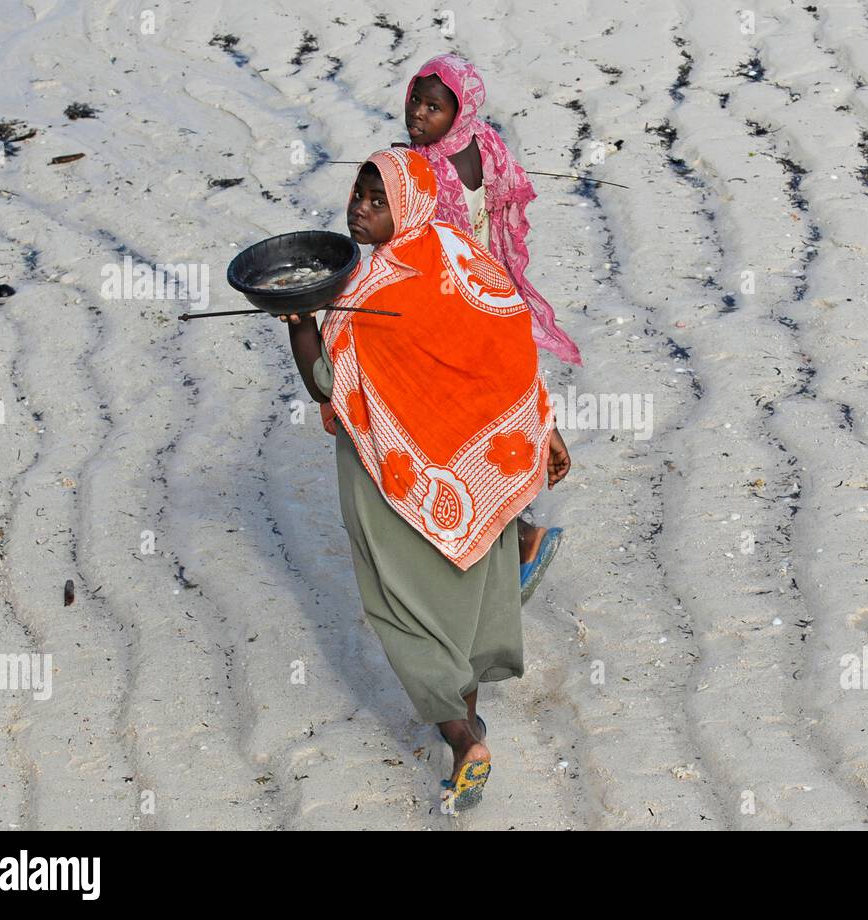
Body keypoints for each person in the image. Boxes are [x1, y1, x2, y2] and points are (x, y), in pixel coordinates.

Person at [281, 147, 571, 812]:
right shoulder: (461, 256)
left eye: (377, 199)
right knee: (467, 599)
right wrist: (541, 424)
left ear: (406, 205)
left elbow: (324, 382)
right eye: (358, 194)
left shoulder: (361, 297)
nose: (360, 206)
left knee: (401, 603)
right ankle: (467, 721)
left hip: (394, 483)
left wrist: (300, 323)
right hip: (479, 479)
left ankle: (463, 739)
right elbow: (508, 343)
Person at [403, 53, 577, 598]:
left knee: (463, 427)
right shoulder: (484, 143)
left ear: (459, 112)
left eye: (434, 107)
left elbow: (416, 239)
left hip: (460, 303)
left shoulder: (427, 167)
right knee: (500, 403)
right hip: (492, 289)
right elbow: (501, 204)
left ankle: (516, 534)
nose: (419, 116)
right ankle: (533, 465)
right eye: (416, 102)